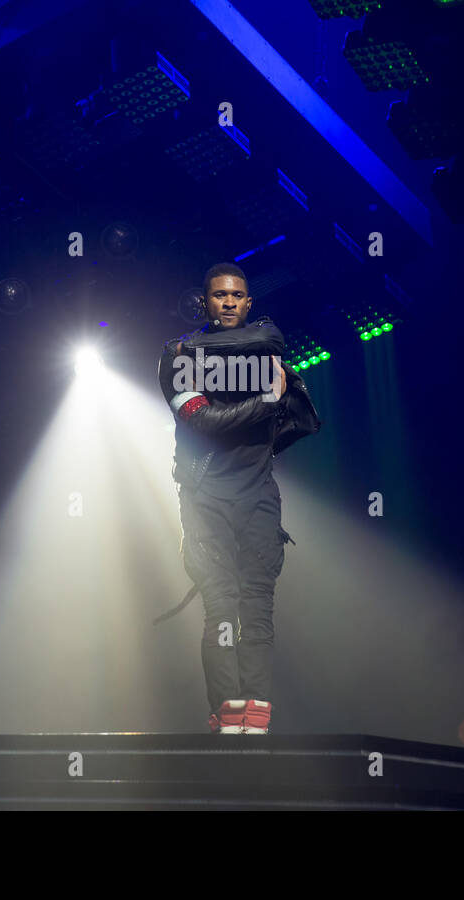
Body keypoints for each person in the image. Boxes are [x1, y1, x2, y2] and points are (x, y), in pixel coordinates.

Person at [155, 263, 321, 734]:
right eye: (219, 296)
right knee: (222, 608)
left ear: (248, 303)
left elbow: (272, 339)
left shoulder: (265, 343)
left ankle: (256, 719)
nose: (228, 302)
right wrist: (267, 403)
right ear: (204, 301)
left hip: (258, 496)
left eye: (237, 296)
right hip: (205, 496)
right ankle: (228, 718)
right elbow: (203, 422)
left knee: (258, 606)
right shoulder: (176, 358)